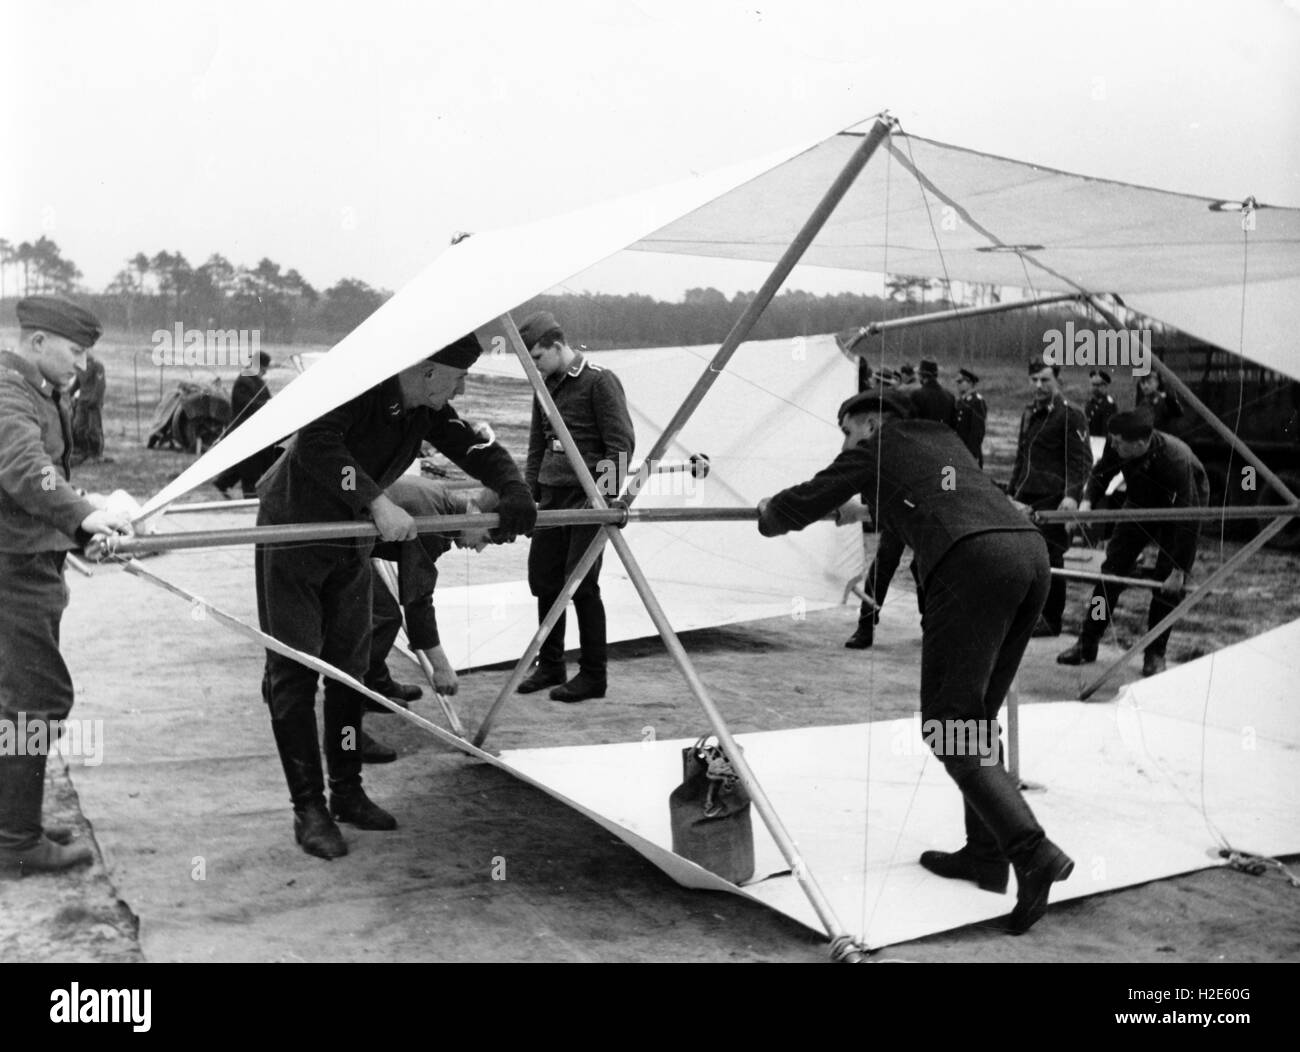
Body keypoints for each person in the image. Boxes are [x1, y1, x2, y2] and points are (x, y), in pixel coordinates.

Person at [757, 390, 1074, 934]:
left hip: (972, 563)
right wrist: (864, 507)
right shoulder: (941, 440)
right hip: (1029, 556)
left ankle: (1033, 851)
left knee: (950, 725)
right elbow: (925, 503)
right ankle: (986, 854)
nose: (847, 442)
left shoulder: (878, 445)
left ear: (872, 421)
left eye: (847, 430)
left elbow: (804, 500)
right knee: (974, 722)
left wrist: (769, 515)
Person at [255, 333, 536, 860]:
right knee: (294, 672)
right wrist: (376, 501)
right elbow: (317, 443)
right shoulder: (361, 389)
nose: (462, 386)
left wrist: (513, 486)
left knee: (350, 669)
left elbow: (475, 445)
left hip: (349, 541)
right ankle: (308, 809)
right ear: (428, 372)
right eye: (456, 377)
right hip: (294, 534)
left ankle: (347, 790)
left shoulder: (426, 409)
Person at [1, 297, 133, 875]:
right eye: (76, 351)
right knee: (38, 702)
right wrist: (82, 517)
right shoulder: (11, 394)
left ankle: (12, 820)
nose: (82, 365)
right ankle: (15, 841)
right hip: (14, 573)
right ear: (36, 343)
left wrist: (82, 525)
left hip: (29, 563)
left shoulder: (37, 391)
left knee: (19, 705)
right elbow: (29, 472)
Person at [515, 312, 635, 704]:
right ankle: (550, 665)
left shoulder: (599, 380)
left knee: (582, 584)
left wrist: (601, 498)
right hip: (551, 497)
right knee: (545, 580)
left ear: (556, 345)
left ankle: (593, 675)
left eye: (536, 356)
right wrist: (528, 492)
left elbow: (620, 444)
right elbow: (537, 444)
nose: (534, 364)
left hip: (587, 500)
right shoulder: (544, 385)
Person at [1057, 411, 1209, 677]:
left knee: (1167, 586)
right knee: (1111, 571)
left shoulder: (1176, 460)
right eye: (1112, 441)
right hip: (1140, 501)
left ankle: (1155, 652)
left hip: (1180, 508)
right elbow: (1101, 472)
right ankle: (1087, 642)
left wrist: (1178, 570)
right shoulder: (1119, 443)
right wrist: (1086, 503)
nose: (1113, 446)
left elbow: (1189, 520)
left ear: (1141, 443)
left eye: (1118, 443)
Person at [364, 476, 498, 715]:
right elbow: (417, 599)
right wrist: (441, 667)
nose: (478, 549)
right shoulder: (434, 520)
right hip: (334, 540)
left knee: (383, 613)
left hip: (357, 536)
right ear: (476, 513)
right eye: (486, 538)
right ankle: (358, 698)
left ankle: (377, 684)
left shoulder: (444, 500)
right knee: (382, 617)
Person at [1008, 360, 1093, 637]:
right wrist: (1011, 492)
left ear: (1057, 380)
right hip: (1025, 497)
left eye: (1045, 380)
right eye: (1034, 379)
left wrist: (1071, 496)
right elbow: (1022, 456)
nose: (1039, 386)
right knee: (1025, 557)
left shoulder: (1071, 414)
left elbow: (1080, 461)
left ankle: (1051, 619)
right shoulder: (1030, 412)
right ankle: (1028, 613)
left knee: (1050, 559)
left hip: (1053, 499)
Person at [214, 351, 279, 497]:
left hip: (255, 428)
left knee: (248, 460)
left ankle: (223, 482)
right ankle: (249, 492)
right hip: (243, 428)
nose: (264, 373)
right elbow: (246, 405)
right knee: (250, 462)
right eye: (263, 369)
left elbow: (265, 399)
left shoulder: (257, 381)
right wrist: (265, 405)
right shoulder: (244, 380)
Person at [68, 350, 106, 463]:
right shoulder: (80, 367)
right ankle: (81, 450)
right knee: (78, 426)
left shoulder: (97, 366)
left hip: (93, 403)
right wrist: (68, 394)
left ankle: (96, 453)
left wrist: (94, 400)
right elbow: (78, 383)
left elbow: (100, 386)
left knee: (94, 428)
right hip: (82, 401)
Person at [952, 367, 987, 467]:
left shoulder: (976, 401)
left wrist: (971, 455)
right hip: (959, 451)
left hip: (970, 453)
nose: (957, 385)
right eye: (957, 382)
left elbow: (977, 432)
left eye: (960, 382)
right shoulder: (960, 401)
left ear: (970, 383)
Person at [908, 358, 955, 424]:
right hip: (944, 433)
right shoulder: (950, 396)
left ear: (922, 376)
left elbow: (912, 422)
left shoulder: (917, 395)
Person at [1084, 369, 1118, 439]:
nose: (1095, 388)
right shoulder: (1090, 403)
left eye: (1098, 385)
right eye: (1093, 385)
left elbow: (1106, 432)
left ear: (1105, 386)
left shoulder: (1109, 405)